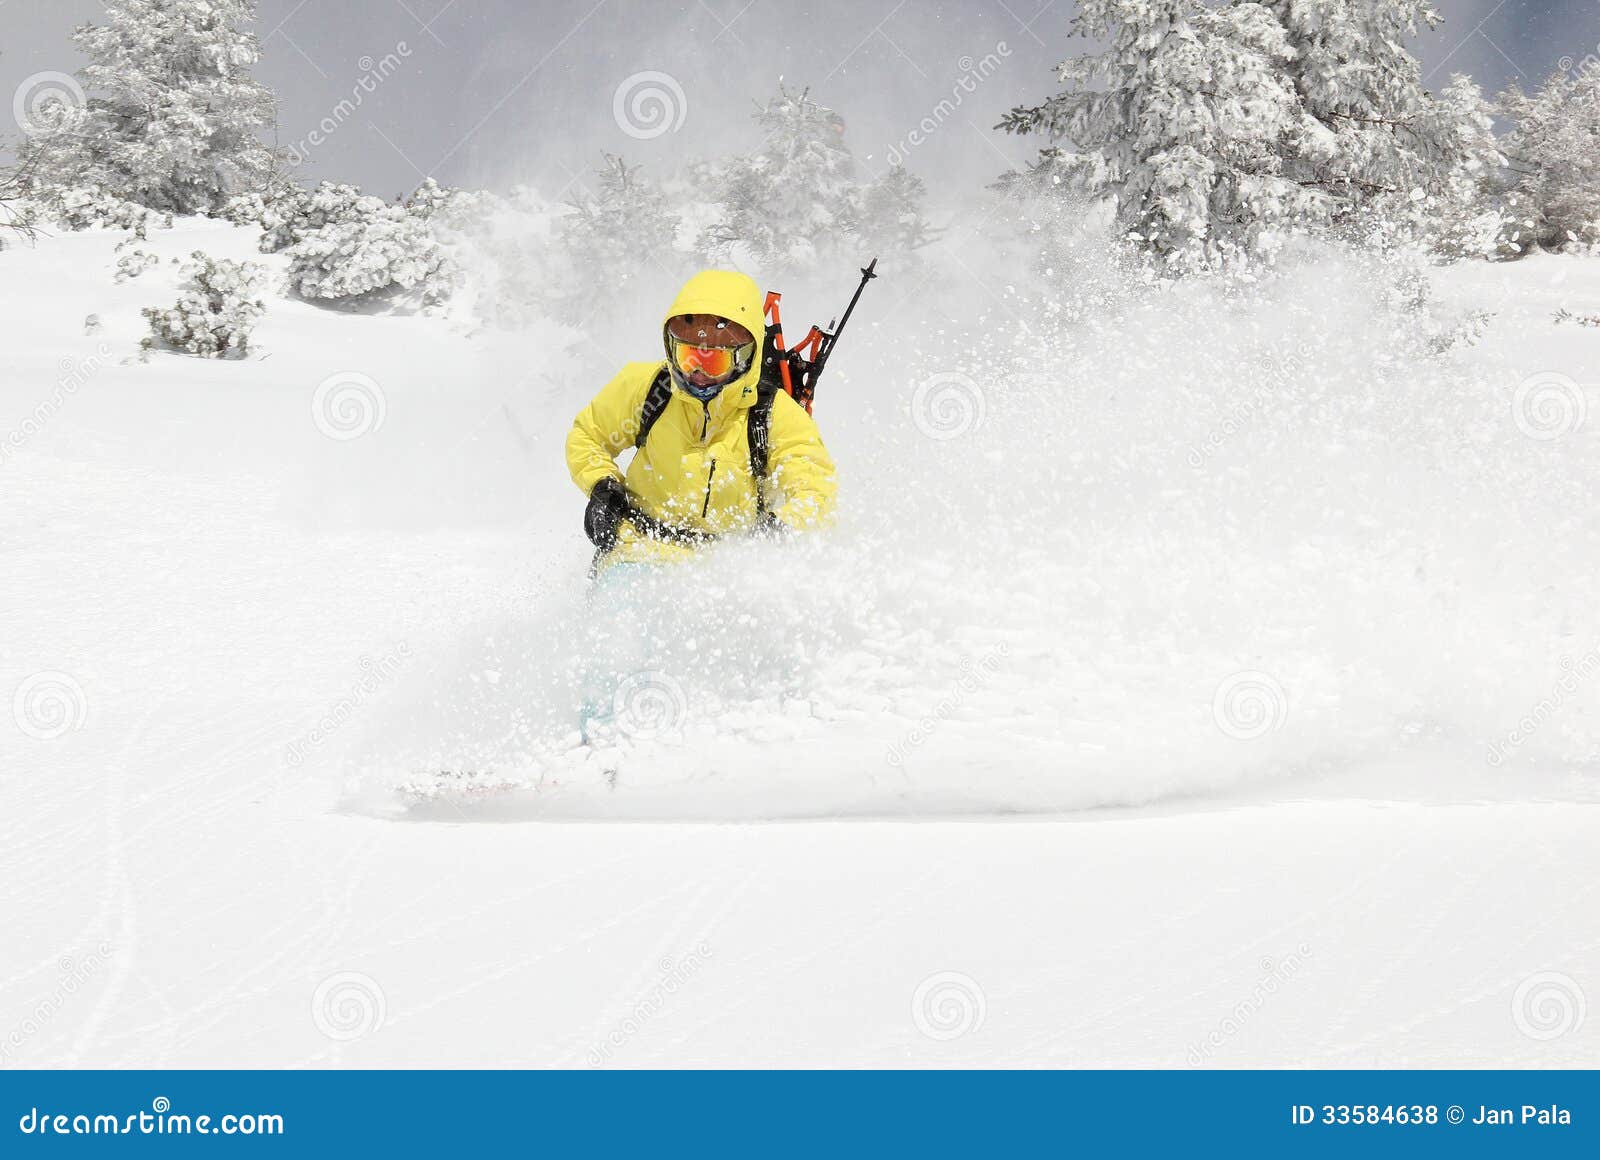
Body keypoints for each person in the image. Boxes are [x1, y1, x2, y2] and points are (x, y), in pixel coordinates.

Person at [564, 269, 837, 571]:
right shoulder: (650, 388)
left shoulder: (771, 414)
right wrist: (603, 488)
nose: (698, 373)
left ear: (744, 358)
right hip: (634, 551)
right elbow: (589, 436)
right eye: (688, 357)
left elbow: (815, 490)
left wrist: (776, 533)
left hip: (723, 573)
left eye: (714, 361)